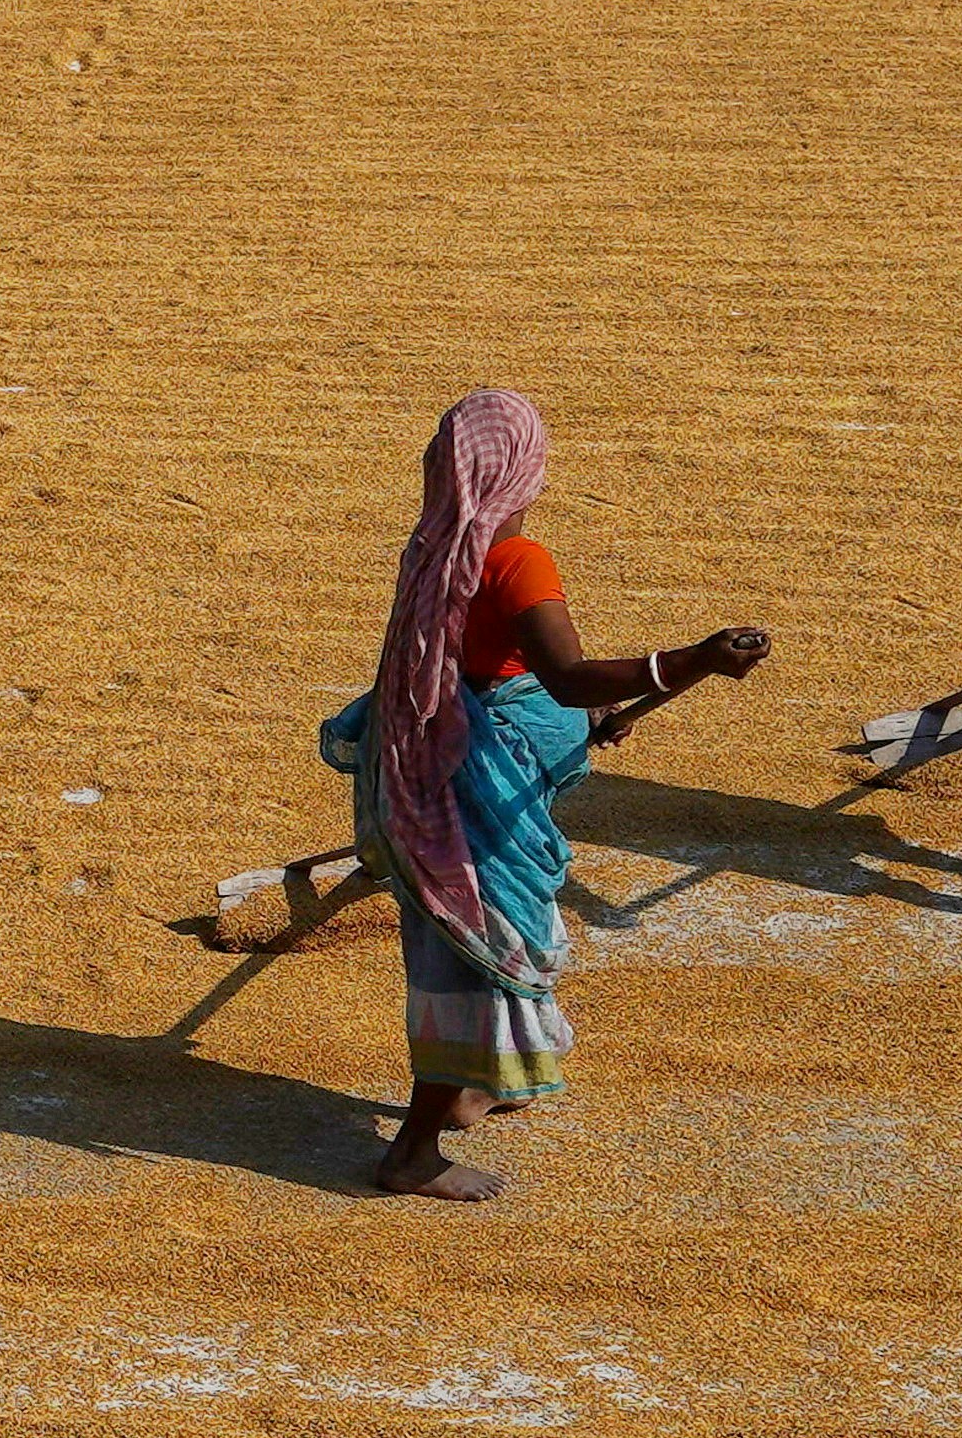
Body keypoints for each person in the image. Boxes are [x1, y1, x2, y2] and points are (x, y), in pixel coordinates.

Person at [321, 388, 767, 1201]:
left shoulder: (434, 545)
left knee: (466, 951)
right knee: (477, 955)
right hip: (474, 803)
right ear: (527, 475)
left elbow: (484, 666)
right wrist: (689, 662)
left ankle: (469, 1089)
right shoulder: (516, 559)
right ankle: (412, 1154)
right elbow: (562, 677)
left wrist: (589, 710)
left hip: (439, 775)